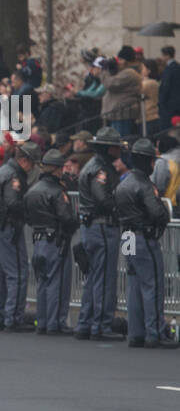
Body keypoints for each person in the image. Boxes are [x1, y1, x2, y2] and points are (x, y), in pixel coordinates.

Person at [116, 138, 172, 348]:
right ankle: (154, 333)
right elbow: (157, 213)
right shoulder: (145, 185)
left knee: (133, 284)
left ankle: (136, 332)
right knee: (152, 285)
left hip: (127, 236)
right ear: (146, 161)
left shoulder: (123, 182)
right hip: (143, 237)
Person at [75, 128, 126, 341]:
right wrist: (121, 206)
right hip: (102, 227)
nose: (119, 149)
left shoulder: (97, 166)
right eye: (115, 146)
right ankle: (101, 325)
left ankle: (86, 323)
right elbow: (103, 200)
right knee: (104, 278)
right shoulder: (100, 170)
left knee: (94, 277)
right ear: (108, 148)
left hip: (94, 227)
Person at [25, 148, 78, 335]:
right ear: (57, 169)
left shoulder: (32, 191)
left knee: (42, 283)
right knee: (57, 283)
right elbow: (66, 218)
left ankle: (44, 321)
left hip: (38, 239)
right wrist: (75, 221)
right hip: (55, 241)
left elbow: (28, 217)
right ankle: (56, 323)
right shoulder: (57, 192)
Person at [0, 142, 39, 331]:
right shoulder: (13, 176)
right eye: (32, 163)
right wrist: (28, 210)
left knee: (0, 274)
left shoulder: (1, 171)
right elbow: (12, 203)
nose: (32, 168)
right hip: (9, 227)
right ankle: (13, 318)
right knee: (17, 273)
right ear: (24, 160)